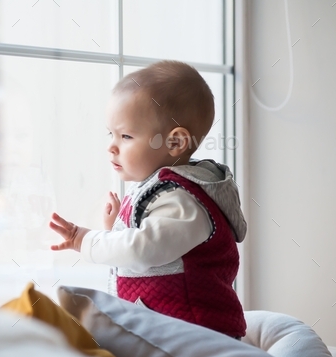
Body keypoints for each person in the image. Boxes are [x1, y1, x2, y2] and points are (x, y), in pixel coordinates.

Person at [49, 60, 247, 338]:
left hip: (197, 336)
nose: (111, 146)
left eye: (126, 136)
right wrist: (116, 229)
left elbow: (143, 250)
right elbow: (154, 251)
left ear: (175, 143)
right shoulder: (162, 189)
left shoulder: (184, 200)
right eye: (111, 134)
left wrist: (86, 239)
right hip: (168, 331)